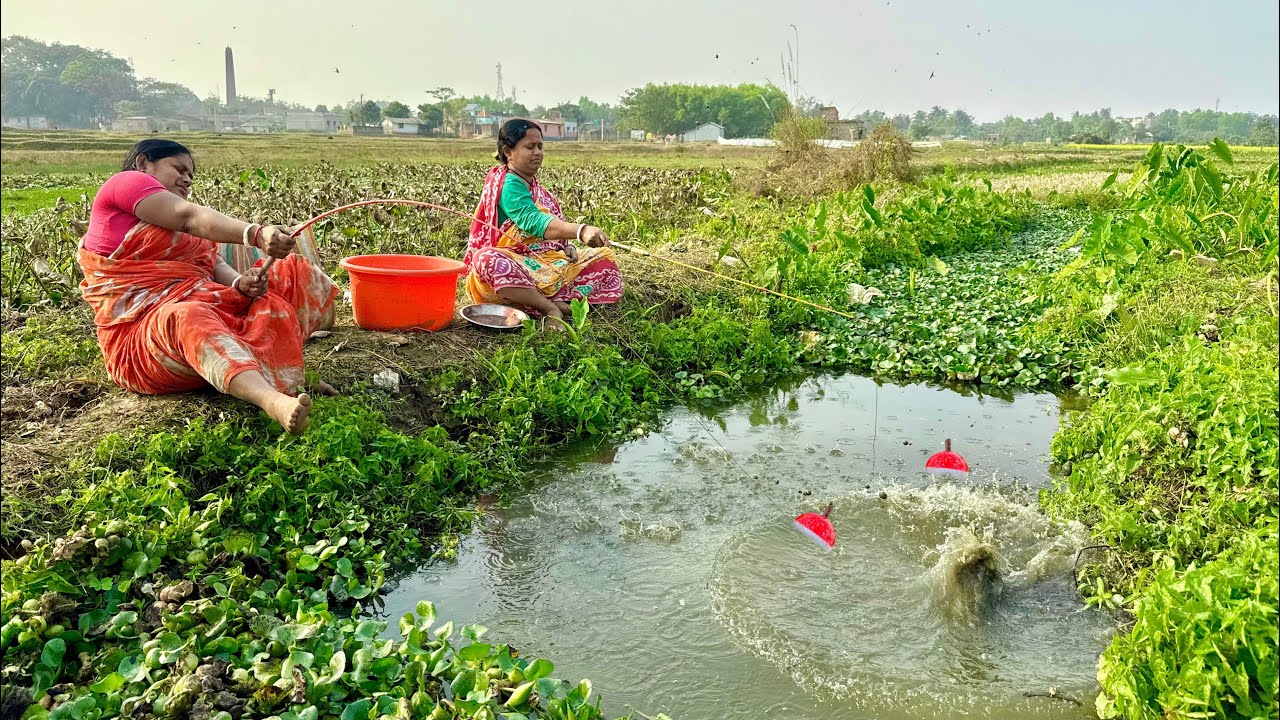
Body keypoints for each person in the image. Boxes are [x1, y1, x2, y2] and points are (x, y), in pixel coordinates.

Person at [76, 139, 338, 435]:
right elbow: (188, 218)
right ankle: (272, 400)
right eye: (179, 169)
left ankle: (288, 373)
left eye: (191, 175)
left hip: (203, 316)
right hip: (147, 346)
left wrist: (240, 284)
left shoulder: (174, 220)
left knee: (291, 272)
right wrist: (255, 233)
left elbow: (210, 262)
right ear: (143, 163)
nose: (187, 179)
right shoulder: (127, 183)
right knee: (187, 316)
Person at [464, 118, 623, 327]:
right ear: (508, 152)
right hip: (513, 267)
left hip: (542, 264)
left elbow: (553, 235)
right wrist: (581, 230)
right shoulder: (508, 186)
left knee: (604, 258)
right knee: (486, 259)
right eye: (530, 147)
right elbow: (534, 221)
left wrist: (567, 247)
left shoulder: (537, 189)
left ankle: (540, 300)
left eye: (540, 146)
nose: (537, 152)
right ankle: (549, 307)